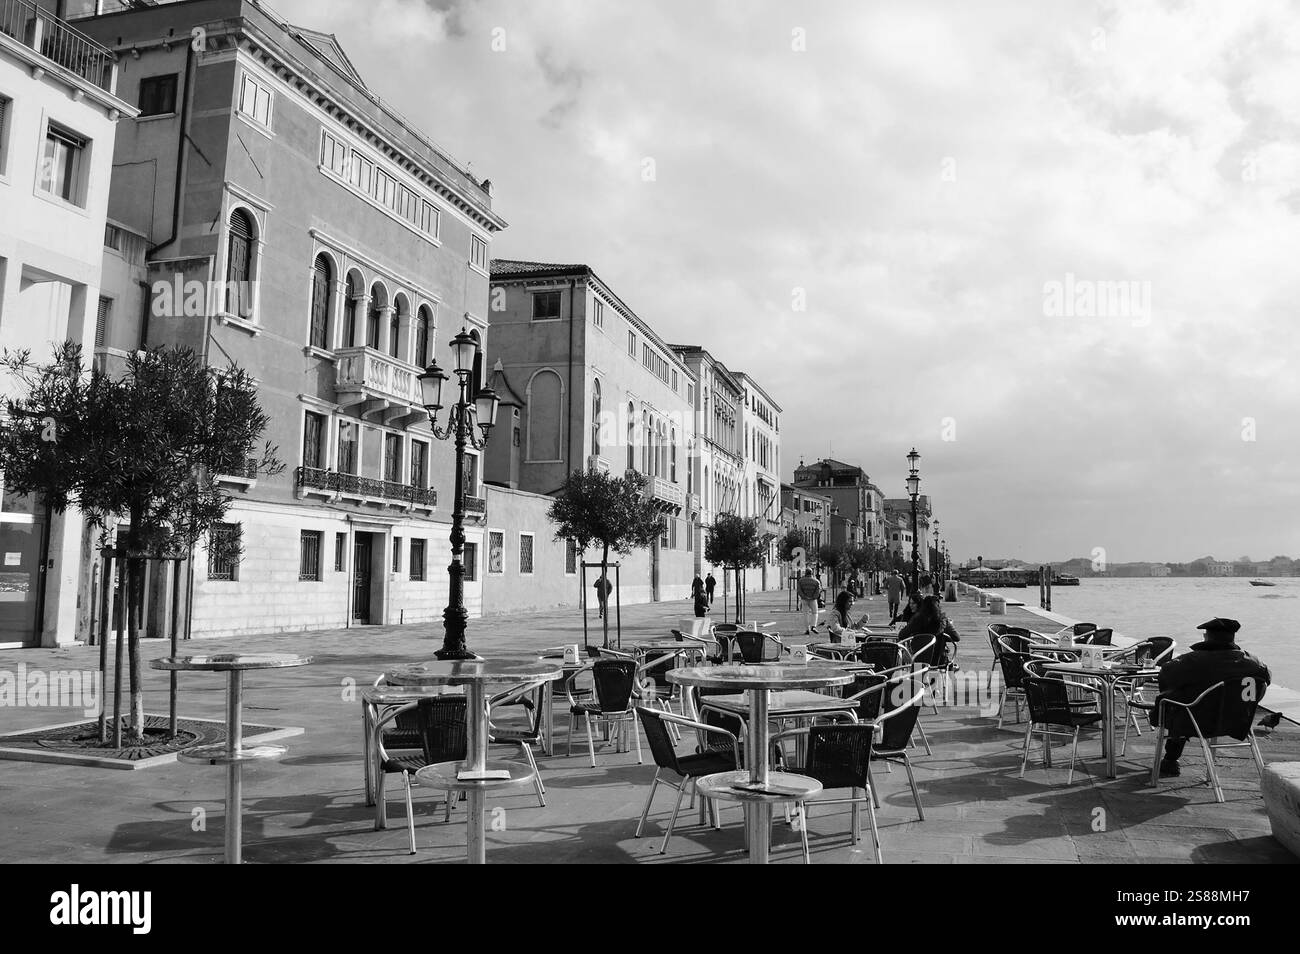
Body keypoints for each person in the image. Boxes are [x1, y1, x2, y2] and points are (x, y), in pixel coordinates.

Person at [1152, 618, 1271, 777]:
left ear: (1208, 637)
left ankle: (1170, 759)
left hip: (1197, 720)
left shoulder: (1193, 660)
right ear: (1232, 637)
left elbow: (1166, 676)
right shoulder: (1253, 661)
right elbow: (1265, 681)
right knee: (1187, 701)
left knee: (1179, 702)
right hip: (1238, 720)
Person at [897, 595, 960, 665]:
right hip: (938, 662)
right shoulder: (943, 620)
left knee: (918, 675)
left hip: (919, 661)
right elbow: (956, 637)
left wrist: (913, 635)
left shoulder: (917, 620)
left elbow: (901, 635)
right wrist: (942, 636)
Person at [796, 568, 822, 634]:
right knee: (815, 613)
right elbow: (818, 591)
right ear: (812, 573)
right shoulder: (816, 581)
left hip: (804, 599)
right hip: (813, 599)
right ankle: (813, 626)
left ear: (805, 573)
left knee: (805, 614)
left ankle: (807, 629)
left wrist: (804, 596)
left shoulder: (801, 581)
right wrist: (813, 597)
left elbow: (799, 590)